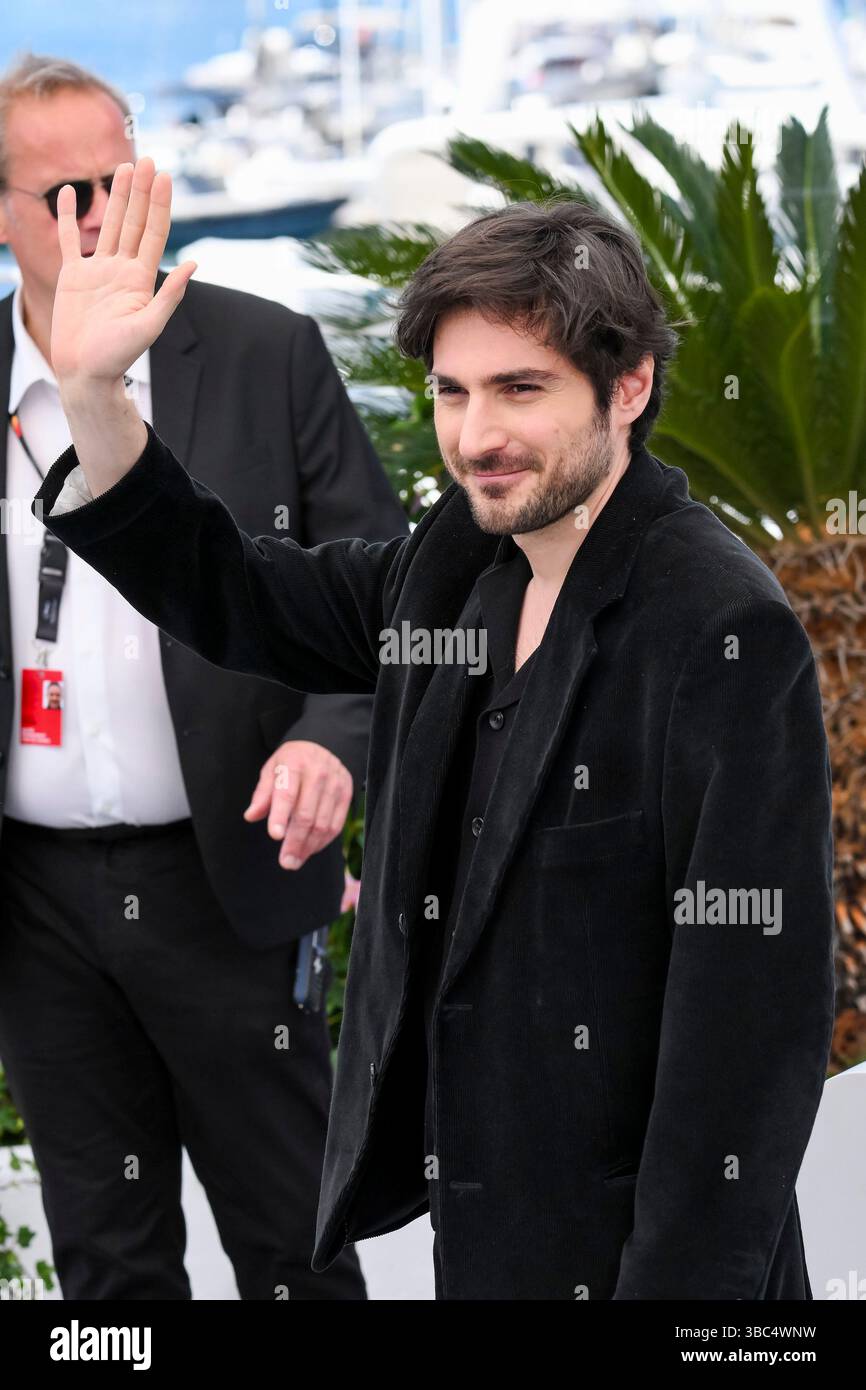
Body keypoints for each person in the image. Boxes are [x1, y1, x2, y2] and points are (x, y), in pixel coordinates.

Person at [35, 158, 835, 1300]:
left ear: (626, 388)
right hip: (479, 1242)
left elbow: (749, 1037)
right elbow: (233, 590)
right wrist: (96, 399)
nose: (475, 436)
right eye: (451, 393)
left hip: (643, 1266)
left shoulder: (718, 626)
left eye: (520, 389)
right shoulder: (451, 565)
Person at [0, 57, 408, 1300]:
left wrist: (330, 742)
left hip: (229, 866)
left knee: (293, 1237)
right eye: (68, 192)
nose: (101, 216)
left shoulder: (265, 351)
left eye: (120, 181)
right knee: (105, 1264)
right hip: (32, 900)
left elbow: (382, 600)